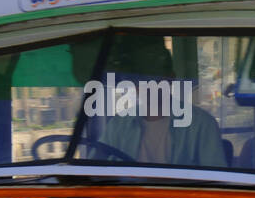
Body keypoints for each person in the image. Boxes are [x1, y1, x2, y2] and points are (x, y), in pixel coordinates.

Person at [84, 34, 228, 169]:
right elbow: (93, 171)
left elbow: (218, 183)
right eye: (139, 79)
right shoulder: (118, 125)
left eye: (153, 78)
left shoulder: (202, 124)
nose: (147, 85)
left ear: (171, 78)